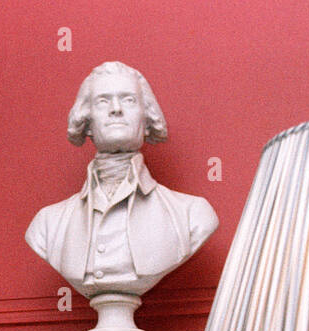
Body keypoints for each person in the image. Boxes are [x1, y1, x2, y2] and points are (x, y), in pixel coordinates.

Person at [25, 62, 217, 303]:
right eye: (103, 101)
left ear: (147, 120)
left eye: (128, 100)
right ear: (86, 122)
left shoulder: (193, 215)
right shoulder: (47, 225)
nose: (116, 109)